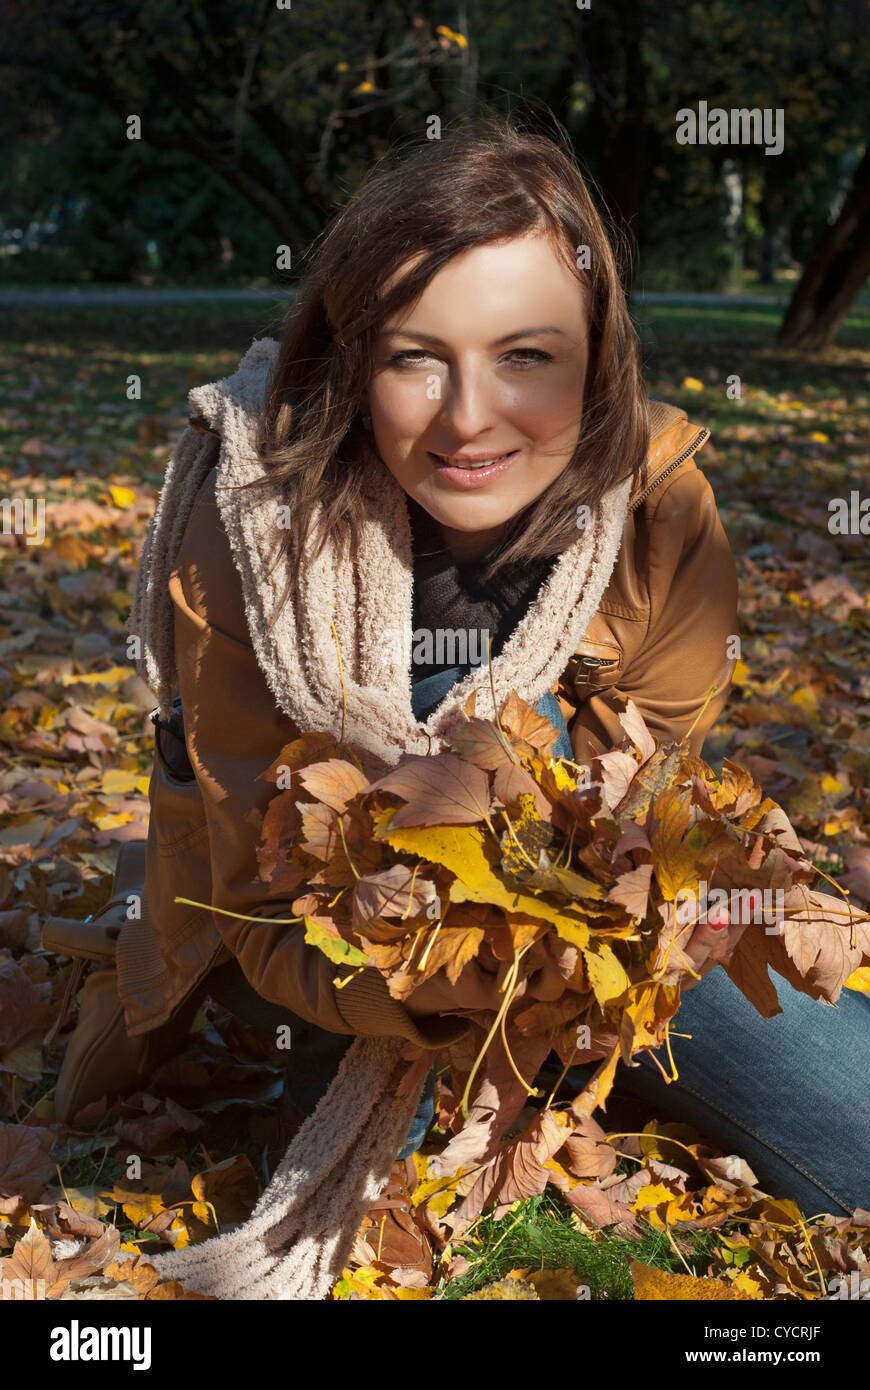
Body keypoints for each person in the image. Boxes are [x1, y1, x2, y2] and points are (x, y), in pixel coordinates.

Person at [52, 116, 868, 1279]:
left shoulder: (662, 513)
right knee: (379, 1197)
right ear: (351, 354)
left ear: (598, 355)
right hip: (324, 962)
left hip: (564, 943)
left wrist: (592, 953)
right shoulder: (248, 514)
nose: (468, 417)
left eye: (526, 354)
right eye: (415, 356)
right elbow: (257, 901)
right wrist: (450, 969)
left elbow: (653, 818)